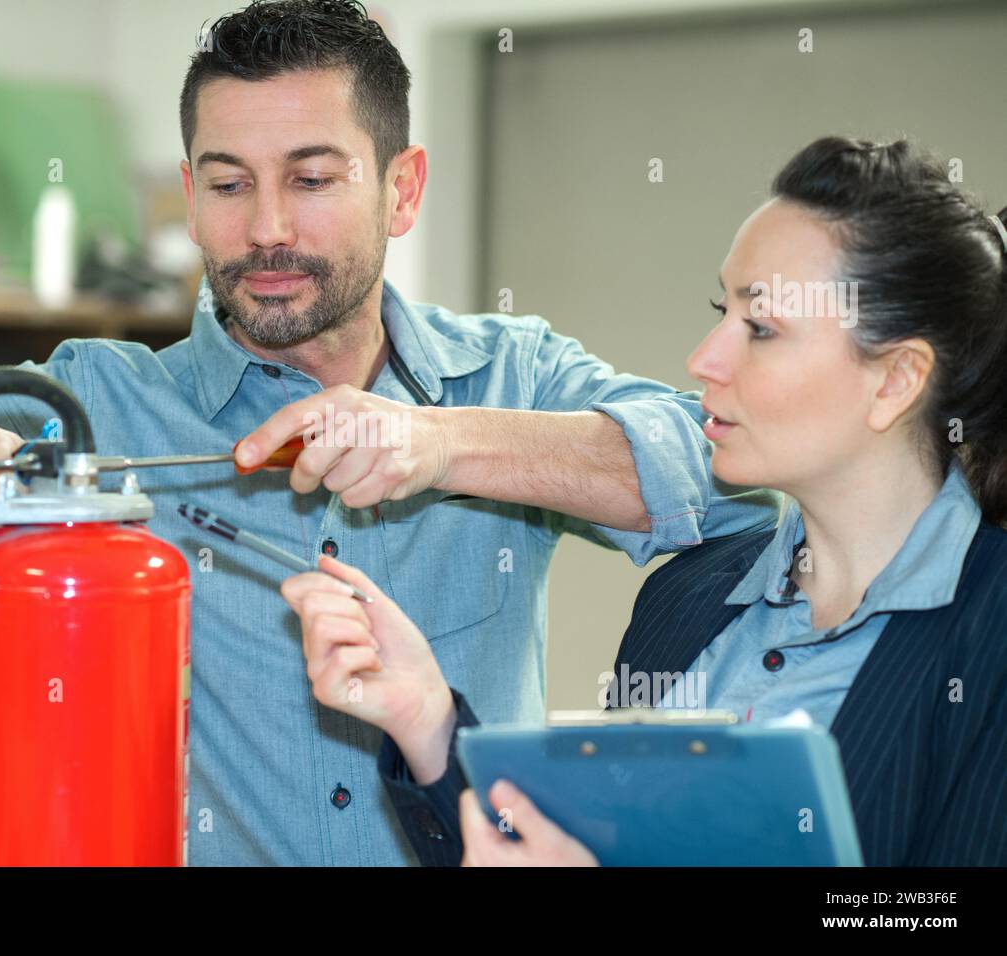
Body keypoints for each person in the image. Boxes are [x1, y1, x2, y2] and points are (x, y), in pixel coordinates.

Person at [0, 0, 776, 865]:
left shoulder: (512, 374)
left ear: (401, 189)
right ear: (188, 193)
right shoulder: (101, 402)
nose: (266, 227)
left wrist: (442, 444)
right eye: (227, 183)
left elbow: (725, 472)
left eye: (311, 179)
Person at [284, 135, 1007, 867]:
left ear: (894, 380)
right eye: (722, 310)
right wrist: (426, 718)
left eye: (760, 328)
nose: (704, 360)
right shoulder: (689, 596)